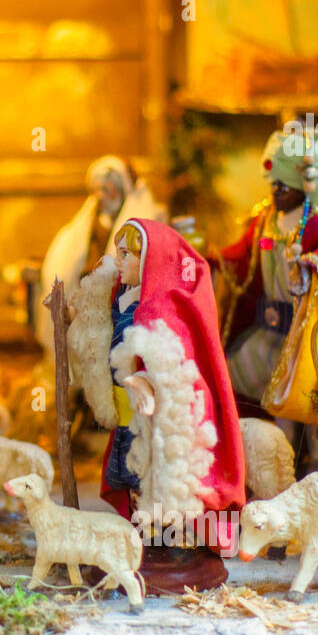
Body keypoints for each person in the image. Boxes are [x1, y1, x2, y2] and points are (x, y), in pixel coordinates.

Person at [89, 218, 244, 592]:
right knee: (129, 475)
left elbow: (174, 357)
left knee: (156, 475)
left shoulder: (161, 304)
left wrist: (146, 377)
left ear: (147, 262)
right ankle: (145, 536)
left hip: (155, 418)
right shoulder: (123, 296)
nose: (119, 260)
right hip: (127, 410)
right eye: (118, 252)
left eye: (127, 254)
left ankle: (168, 541)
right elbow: (99, 331)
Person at [212, 129, 318, 465]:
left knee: (309, 406)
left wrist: (315, 264)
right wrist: (213, 260)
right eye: (273, 184)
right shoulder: (265, 221)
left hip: (307, 341)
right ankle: (271, 463)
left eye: (284, 186)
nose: (276, 191)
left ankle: (317, 467)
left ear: (305, 186)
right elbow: (244, 256)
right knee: (234, 378)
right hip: (268, 334)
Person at [37, 156, 164, 355]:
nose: (101, 196)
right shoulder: (90, 223)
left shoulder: (143, 222)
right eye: (96, 190)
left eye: (107, 190)